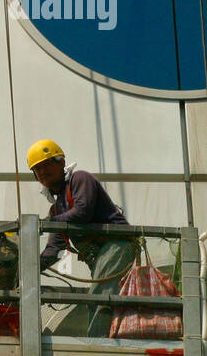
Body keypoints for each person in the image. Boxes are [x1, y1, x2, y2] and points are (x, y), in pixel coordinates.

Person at [28, 138, 137, 337]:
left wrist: (46, 223)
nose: (43, 172)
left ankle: (99, 346)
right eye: (37, 169)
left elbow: (82, 212)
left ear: (61, 162)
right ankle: (104, 339)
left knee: (99, 297)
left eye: (47, 164)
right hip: (100, 256)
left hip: (116, 245)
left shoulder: (80, 179)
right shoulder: (57, 208)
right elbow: (54, 250)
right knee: (96, 299)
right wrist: (27, 268)